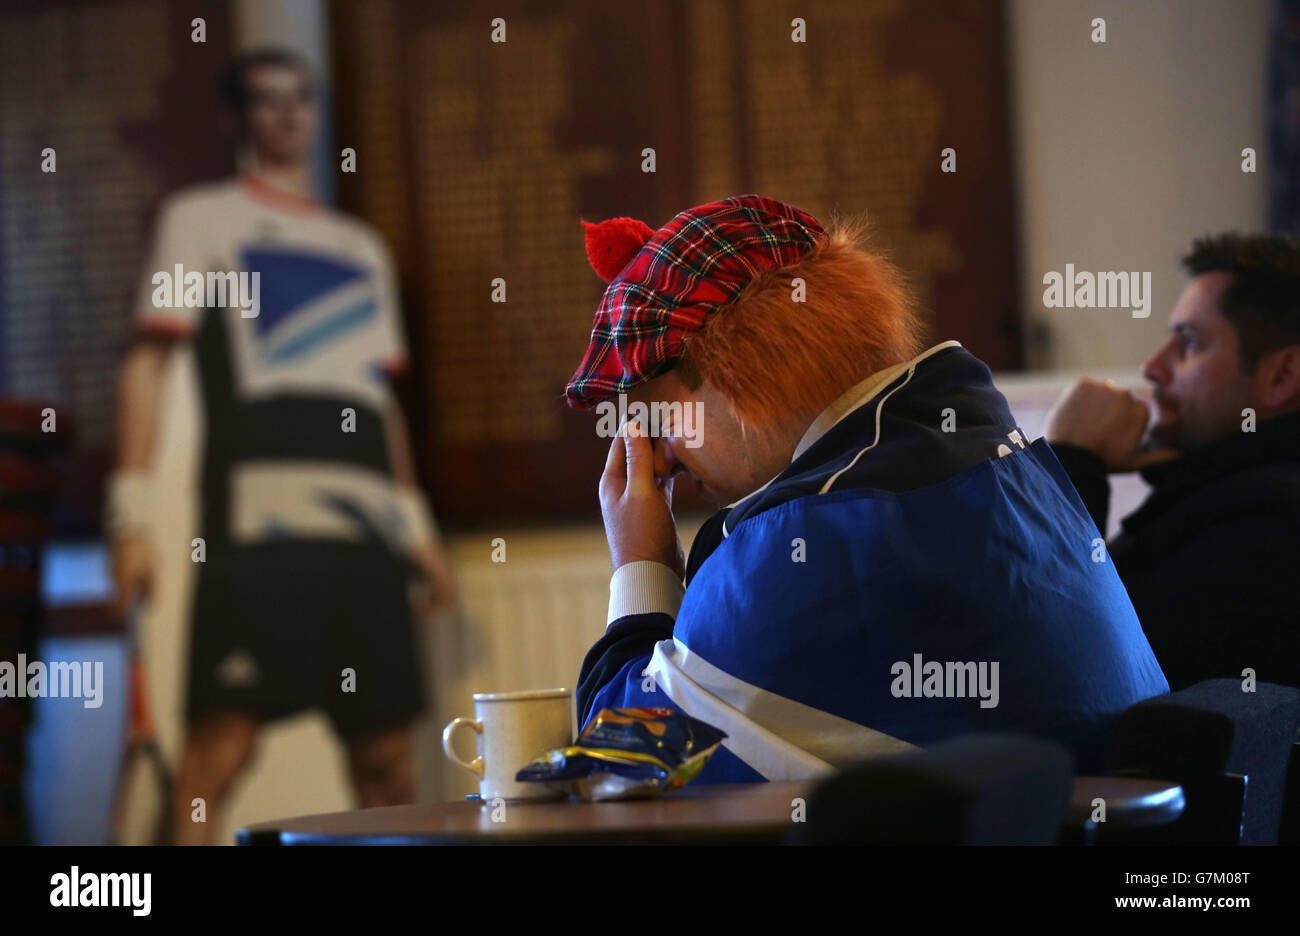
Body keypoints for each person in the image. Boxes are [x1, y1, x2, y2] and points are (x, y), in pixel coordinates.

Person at [567, 195, 1168, 782]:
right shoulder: (1011, 465)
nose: (661, 460)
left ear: (736, 375)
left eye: (657, 420)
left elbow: (618, 765)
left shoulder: (802, 551)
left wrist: (642, 568)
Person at [109, 47, 453, 844]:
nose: (288, 114)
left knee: (388, 763)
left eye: (301, 98)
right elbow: (148, 363)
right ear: (237, 117)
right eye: (267, 100)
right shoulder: (198, 220)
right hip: (258, 527)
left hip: (364, 535)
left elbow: (380, 400)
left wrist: (419, 531)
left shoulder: (362, 248)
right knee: (216, 753)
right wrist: (129, 520)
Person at [1045, 233, 1300, 691]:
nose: (1153, 368)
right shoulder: (1222, 495)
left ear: (1280, 375)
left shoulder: (1270, 522)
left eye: (1189, 342)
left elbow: (1060, 673)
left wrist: (1071, 465)